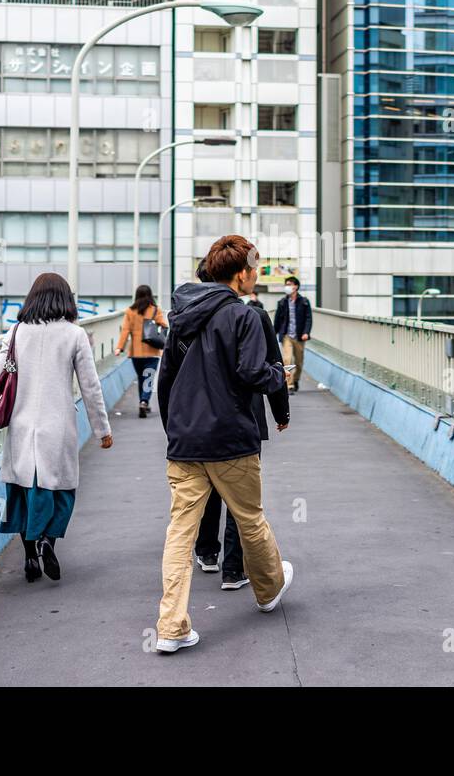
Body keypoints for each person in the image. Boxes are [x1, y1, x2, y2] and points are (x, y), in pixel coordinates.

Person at [153, 235, 293, 653]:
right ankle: (268, 591)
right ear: (241, 273)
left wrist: (176, 428)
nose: (257, 275)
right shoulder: (244, 317)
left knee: (180, 531)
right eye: (256, 268)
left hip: (186, 442)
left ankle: (170, 627)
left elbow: (166, 382)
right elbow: (251, 372)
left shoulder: (181, 317)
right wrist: (278, 376)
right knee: (250, 518)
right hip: (231, 439)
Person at [0, 272, 112, 583]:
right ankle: (49, 541)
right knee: (59, 489)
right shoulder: (74, 334)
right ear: (66, 300)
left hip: (21, 424)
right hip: (57, 426)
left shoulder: (16, 332)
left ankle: (30, 555)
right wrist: (102, 430)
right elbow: (91, 386)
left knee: (22, 492)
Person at [192, 261, 290, 590]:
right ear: (238, 276)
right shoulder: (254, 316)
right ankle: (234, 569)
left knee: (207, 491)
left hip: (197, 420)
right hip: (242, 418)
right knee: (242, 498)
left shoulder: (188, 315)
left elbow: (173, 374)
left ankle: (206, 552)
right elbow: (268, 365)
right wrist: (281, 411)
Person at [114, 284, 167, 418]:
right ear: (150, 295)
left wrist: (119, 347)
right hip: (152, 351)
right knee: (148, 377)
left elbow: (125, 331)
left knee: (141, 377)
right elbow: (164, 326)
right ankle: (144, 401)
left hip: (136, 352)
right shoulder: (155, 310)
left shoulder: (130, 311)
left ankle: (143, 401)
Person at [273, 275, 312, 394]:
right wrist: (273, 333)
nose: (287, 287)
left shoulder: (304, 302)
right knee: (287, 359)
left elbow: (308, 318)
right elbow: (277, 320)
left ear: (296, 286)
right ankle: (289, 385)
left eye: (289, 284)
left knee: (299, 363)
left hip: (300, 336)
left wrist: (306, 332)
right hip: (286, 336)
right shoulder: (282, 302)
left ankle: (295, 380)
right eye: (286, 285)